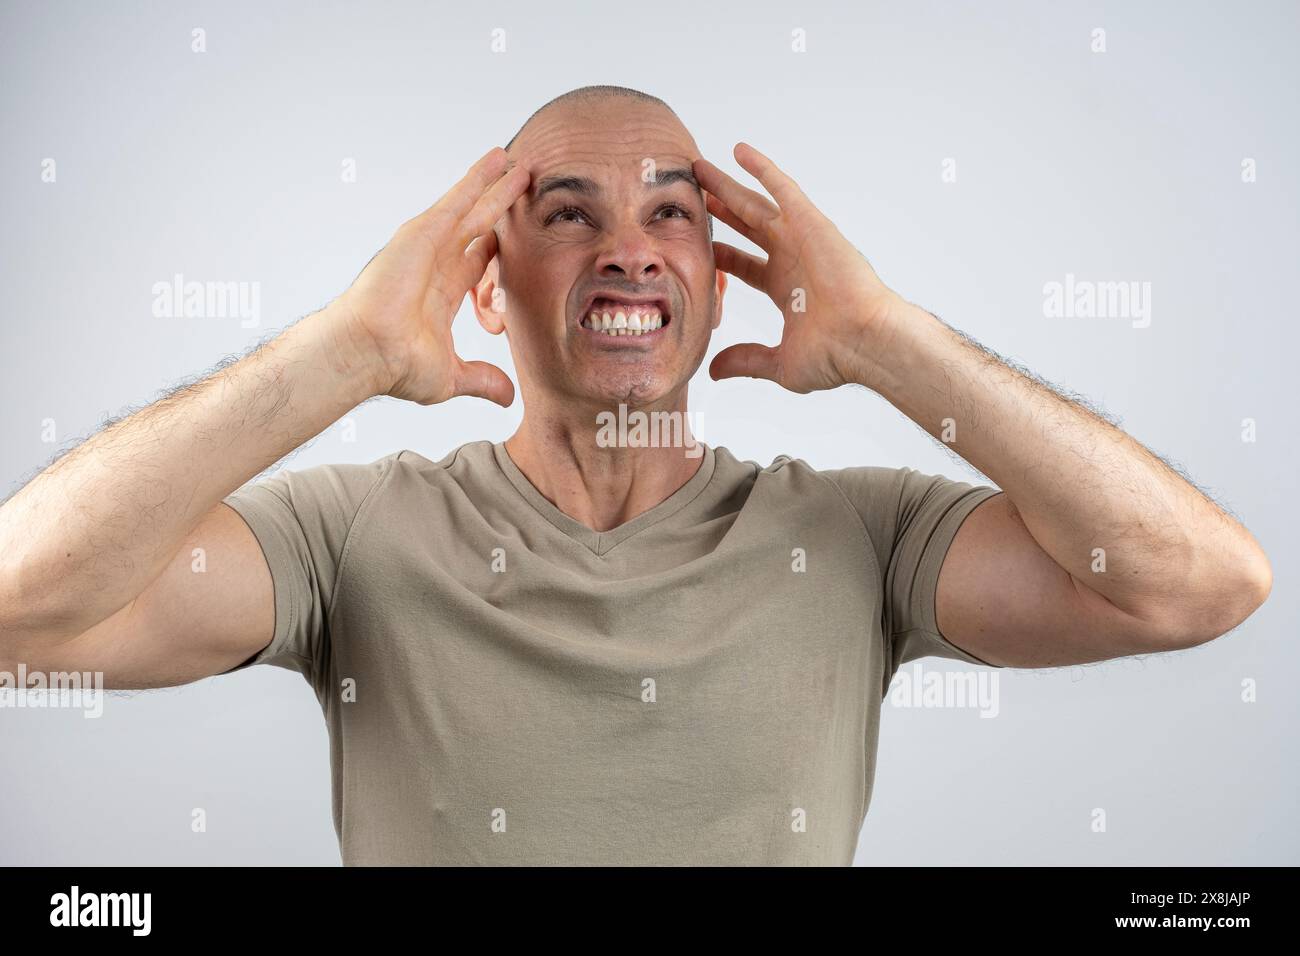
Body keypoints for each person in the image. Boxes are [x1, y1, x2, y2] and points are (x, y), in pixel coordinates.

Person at [0, 85, 1271, 865]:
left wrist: (887, 339)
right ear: (485, 287)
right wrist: (344, 350)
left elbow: (1200, 585)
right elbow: (19, 610)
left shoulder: (851, 539)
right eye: (566, 213)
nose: (629, 251)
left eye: (671, 214)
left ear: (721, 288)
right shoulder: (352, 539)